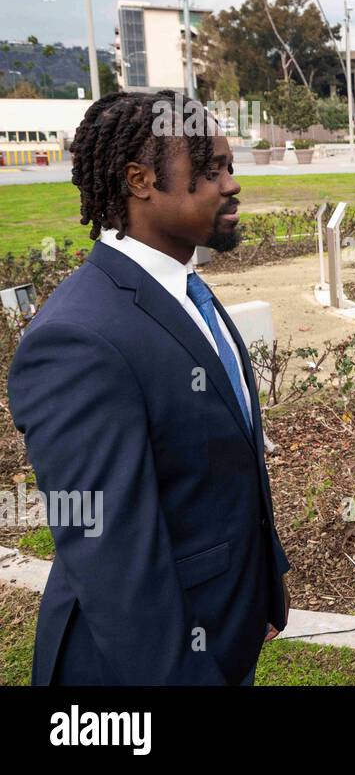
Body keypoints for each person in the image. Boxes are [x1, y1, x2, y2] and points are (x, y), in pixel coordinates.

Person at [8, 91, 291, 685]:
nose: (232, 185)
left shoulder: (183, 288)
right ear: (140, 181)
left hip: (221, 626)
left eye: (230, 167)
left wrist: (257, 586)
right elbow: (111, 554)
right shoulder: (77, 340)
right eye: (209, 171)